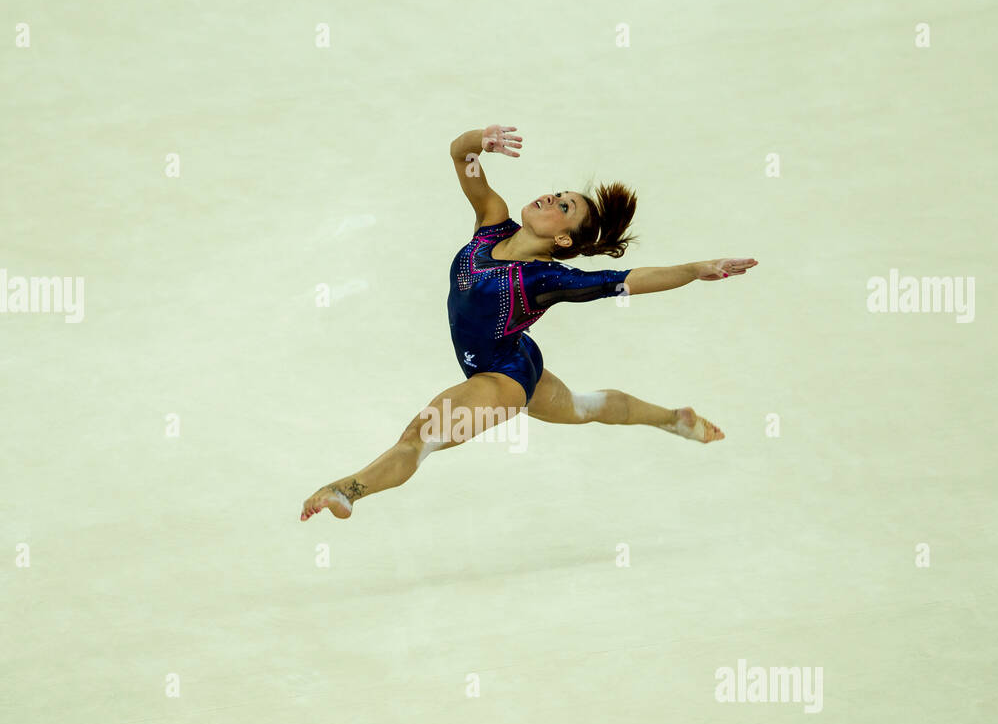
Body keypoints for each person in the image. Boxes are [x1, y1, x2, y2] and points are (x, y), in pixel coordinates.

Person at [301, 124, 757, 521]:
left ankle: (349, 490)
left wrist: (696, 269)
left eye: (564, 208)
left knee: (419, 438)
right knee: (586, 407)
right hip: (521, 358)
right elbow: (461, 154)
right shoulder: (491, 222)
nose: (553, 198)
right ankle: (673, 418)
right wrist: (481, 139)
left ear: (561, 238)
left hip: (500, 378)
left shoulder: (546, 278)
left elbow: (629, 280)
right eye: (559, 194)